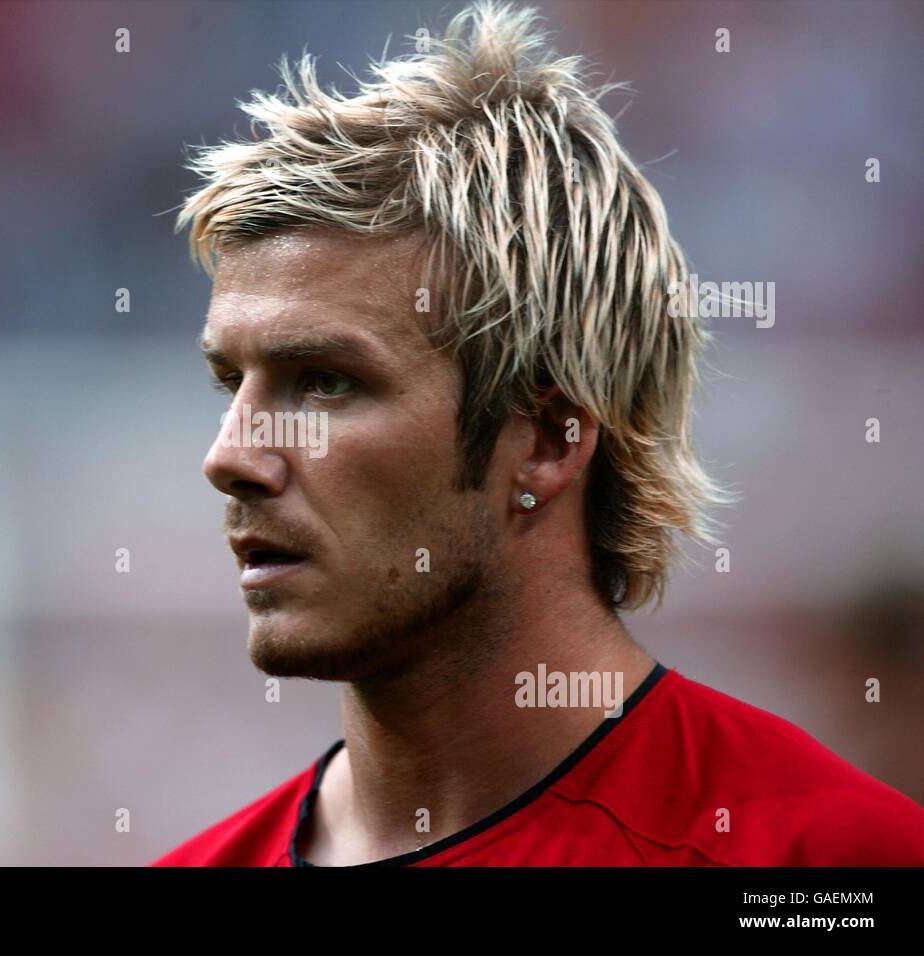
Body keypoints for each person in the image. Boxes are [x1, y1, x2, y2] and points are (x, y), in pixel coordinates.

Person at [152, 0, 923, 866]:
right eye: (232, 382)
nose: (229, 458)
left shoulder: (825, 861)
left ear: (551, 440)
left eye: (326, 382)